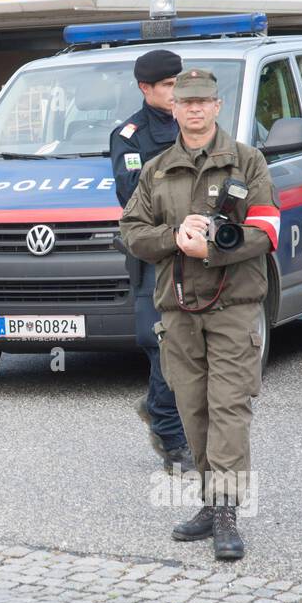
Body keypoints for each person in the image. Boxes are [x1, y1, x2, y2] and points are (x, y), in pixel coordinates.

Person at [121, 68, 280, 561]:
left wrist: (209, 246)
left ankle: (227, 511)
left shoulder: (247, 162)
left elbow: (267, 230)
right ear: (174, 109)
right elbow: (130, 230)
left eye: (203, 102)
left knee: (229, 407)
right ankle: (210, 505)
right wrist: (173, 237)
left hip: (234, 305)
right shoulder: (157, 169)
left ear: (216, 107)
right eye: (185, 102)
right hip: (179, 307)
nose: (193, 109)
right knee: (193, 407)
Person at [108, 49, 193, 473]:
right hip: (155, 254)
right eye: (169, 86)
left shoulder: (196, 126)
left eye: (180, 82)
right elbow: (133, 195)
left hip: (196, 251)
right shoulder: (129, 136)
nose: (178, 93)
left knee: (192, 345)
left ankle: (159, 408)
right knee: (161, 342)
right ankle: (170, 436)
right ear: (146, 89)